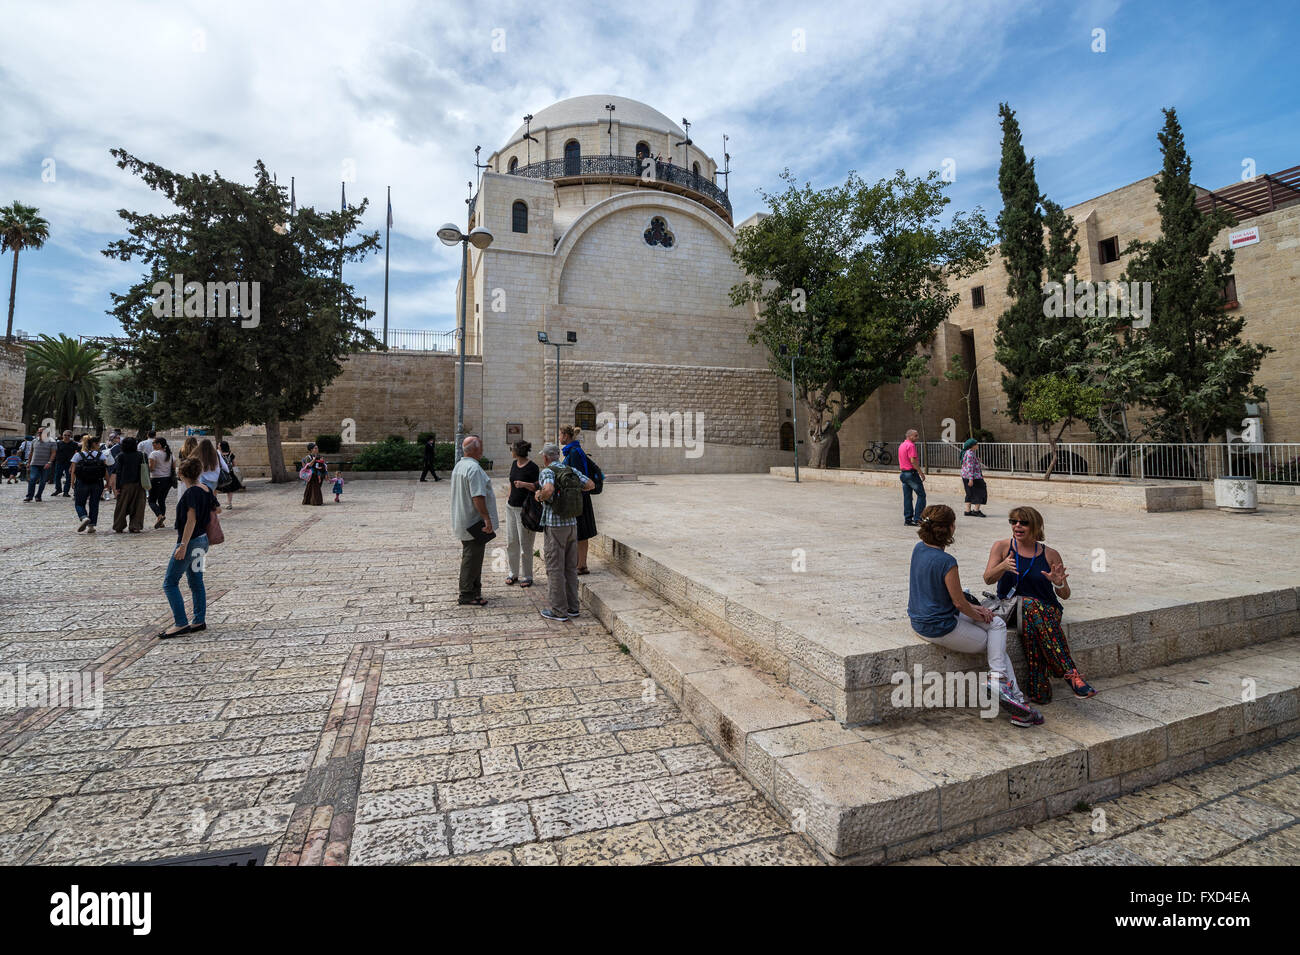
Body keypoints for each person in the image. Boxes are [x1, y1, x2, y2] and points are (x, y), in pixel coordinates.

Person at [907, 504, 1042, 727]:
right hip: (939, 627)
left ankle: (1011, 695)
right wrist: (977, 614)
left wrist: (978, 610)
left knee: (996, 624)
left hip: (920, 619)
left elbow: (954, 598)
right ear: (951, 528)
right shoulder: (947, 562)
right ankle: (1013, 696)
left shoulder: (918, 549)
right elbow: (959, 603)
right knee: (994, 639)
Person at [984, 506, 1095, 704]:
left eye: (1023, 522)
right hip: (1012, 608)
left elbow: (1065, 595)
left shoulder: (1050, 554)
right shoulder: (1001, 547)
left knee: (1032, 626)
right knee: (1029, 604)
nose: (1017, 526)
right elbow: (988, 579)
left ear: (1035, 526)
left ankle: (1039, 689)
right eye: (1013, 521)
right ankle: (1069, 672)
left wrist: (1058, 582)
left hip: (1046, 611)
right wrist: (1002, 566)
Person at [535, 441, 594, 621]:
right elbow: (590, 484)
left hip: (555, 526)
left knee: (554, 568)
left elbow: (549, 489)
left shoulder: (547, 472)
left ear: (545, 458)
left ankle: (558, 610)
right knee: (570, 567)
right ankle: (573, 607)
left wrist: (540, 496)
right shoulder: (570, 470)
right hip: (572, 524)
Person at [160, 456, 217, 638]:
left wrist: (182, 545)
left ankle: (181, 623)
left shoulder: (191, 492)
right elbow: (218, 509)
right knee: (196, 581)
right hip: (202, 541)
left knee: (170, 582)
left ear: (182, 474)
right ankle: (199, 620)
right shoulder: (205, 489)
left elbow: (190, 521)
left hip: (191, 542)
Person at [450, 435, 499, 606]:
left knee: (474, 557)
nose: (483, 450)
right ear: (476, 449)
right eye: (481, 447)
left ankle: (475, 591)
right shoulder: (474, 469)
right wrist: (486, 518)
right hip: (474, 522)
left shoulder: (460, 466)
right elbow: (478, 496)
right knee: (471, 558)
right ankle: (466, 594)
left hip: (464, 520)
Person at [559, 425, 597, 574]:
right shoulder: (572, 451)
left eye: (560, 435)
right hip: (578, 498)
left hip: (579, 498)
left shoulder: (574, 452)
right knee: (579, 532)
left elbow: (577, 477)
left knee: (581, 532)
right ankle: (579, 563)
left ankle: (581, 565)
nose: (559, 438)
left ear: (566, 436)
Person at [505, 440, 539, 588]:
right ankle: (513, 573)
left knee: (526, 544)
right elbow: (511, 483)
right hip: (510, 508)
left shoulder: (533, 467)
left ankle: (527, 576)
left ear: (517, 451)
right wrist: (509, 497)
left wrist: (524, 484)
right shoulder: (514, 464)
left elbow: (538, 487)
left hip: (524, 510)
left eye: (511, 449)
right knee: (511, 542)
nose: (510, 451)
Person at [70, 435, 108, 533]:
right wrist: (108, 482)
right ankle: (91, 526)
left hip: (82, 482)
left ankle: (84, 517)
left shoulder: (78, 455)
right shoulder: (100, 455)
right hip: (97, 482)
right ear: (94, 444)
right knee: (94, 504)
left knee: (79, 503)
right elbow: (105, 470)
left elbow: (73, 471)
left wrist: (72, 482)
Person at [111, 436, 148, 533]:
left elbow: (119, 472)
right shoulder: (142, 455)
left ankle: (119, 525)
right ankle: (135, 526)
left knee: (121, 506)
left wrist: (118, 486)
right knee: (138, 506)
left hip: (125, 484)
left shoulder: (121, 456)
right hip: (139, 484)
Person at [898, 428, 926, 527]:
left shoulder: (902, 445)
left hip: (903, 474)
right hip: (911, 474)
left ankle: (908, 519)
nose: (917, 437)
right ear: (909, 436)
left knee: (908, 497)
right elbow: (913, 461)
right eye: (916, 435)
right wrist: (921, 473)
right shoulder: (911, 445)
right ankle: (918, 519)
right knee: (922, 495)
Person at [146, 438, 176, 529]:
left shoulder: (154, 454)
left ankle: (160, 516)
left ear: (159, 444)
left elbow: (151, 468)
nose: (153, 445)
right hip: (167, 480)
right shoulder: (170, 454)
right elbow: (173, 467)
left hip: (156, 479)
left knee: (151, 501)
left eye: (154, 443)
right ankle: (161, 521)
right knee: (162, 500)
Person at [23, 427, 56, 502]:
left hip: (45, 464)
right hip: (34, 464)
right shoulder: (34, 441)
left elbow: (53, 453)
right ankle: (29, 496)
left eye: (41, 432)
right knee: (33, 479)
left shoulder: (52, 442)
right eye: (39, 432)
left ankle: (38, 496)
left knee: (43, 481)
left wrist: (49, 462)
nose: (39, 434)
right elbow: (31, 452)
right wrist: (28, 462)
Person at [961, 438, 987, 517]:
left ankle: (968, 511)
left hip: (966, 476)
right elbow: (970, 467)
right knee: (980, 492)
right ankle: (976, 511)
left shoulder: (968, 452)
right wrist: (971, 479)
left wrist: (976, 460)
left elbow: (967, 463)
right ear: (972, 446)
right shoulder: (970, 453)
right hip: (974, 477)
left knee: (969, 493)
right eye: (976, 444)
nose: (977, 445)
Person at [51, 430, 76, 497]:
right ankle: (58, 489)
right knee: (57, 477)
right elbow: (54, 452)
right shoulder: (58, 443)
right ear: (62, 435)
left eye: (68, 435)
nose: (66, 437)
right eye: (65, 435)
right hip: (59, 462)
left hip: (69, 463)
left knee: (68, 478)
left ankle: (66, 492)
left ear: (70, 436)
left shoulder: (74, 444)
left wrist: (73, 464)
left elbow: (76, 453)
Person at [218, 440, 242, 508]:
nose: (218, 446)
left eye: (219, 445)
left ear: (222, 447)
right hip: (230, 473)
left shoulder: (219, 455)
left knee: (216, 488)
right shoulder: (231, 454)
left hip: (221, 474)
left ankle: (215, 503)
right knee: (230, 490)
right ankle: (229, 503)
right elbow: (234, 464)